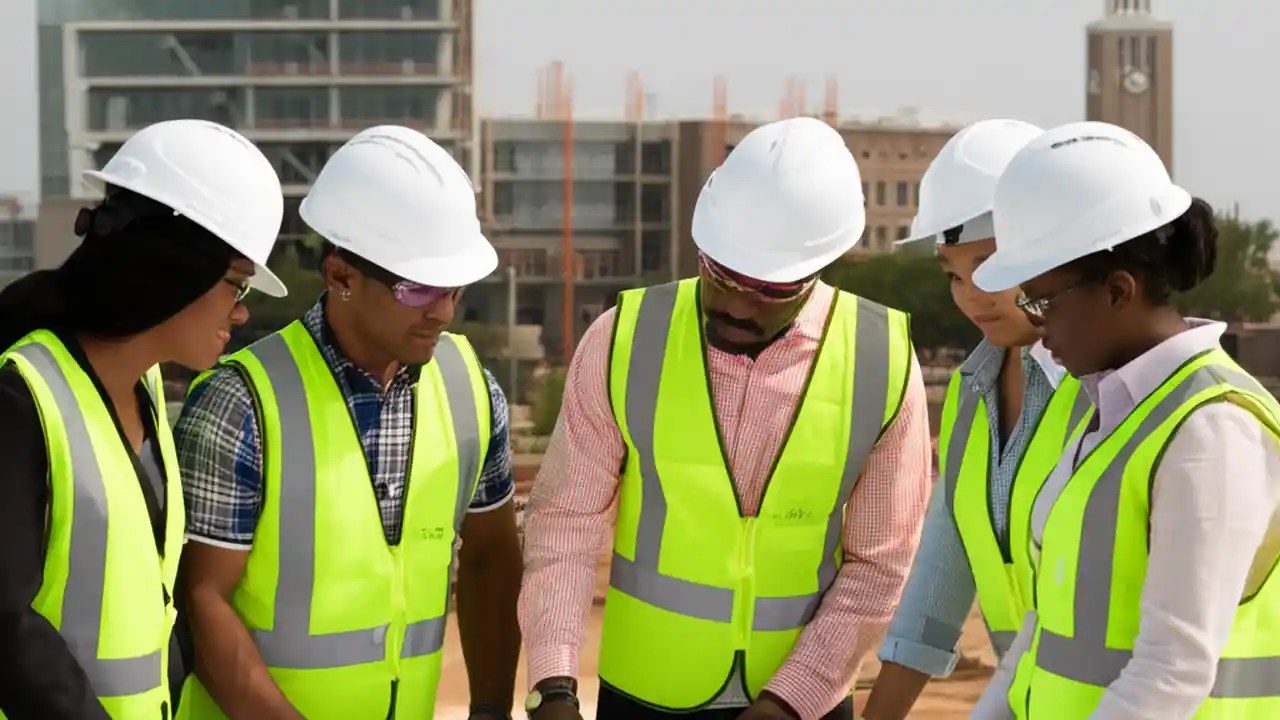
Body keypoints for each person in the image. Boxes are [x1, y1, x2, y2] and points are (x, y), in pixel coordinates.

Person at [518, 116, 934, 720]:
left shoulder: (881, 359)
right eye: (722, 276)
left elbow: (881, 560)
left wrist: (791, 701)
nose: (738, 306)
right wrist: (552, 684)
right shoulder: (625, 340)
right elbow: (565, 524)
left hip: (802, 707)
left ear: (819, 268)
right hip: (644, 697)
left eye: (768, 291)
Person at [172, 125, 523, 720]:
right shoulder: (241, 402)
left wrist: (489, 711)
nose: (443, 311)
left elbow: (491, 560)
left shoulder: (472, 393)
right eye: (419, 289)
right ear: (340, 277)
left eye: (455, 288)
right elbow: (201, 600)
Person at [968, 121, 1280, 718]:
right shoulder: (1110, 413)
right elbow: (1046, 628)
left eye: (1041, 300)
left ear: (1117, 290)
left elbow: (1172, 670)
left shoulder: (1211, 431)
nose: (1035, 324)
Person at [0, 119, 285, 719]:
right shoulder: (20, 397)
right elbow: (5, 626)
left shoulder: (148, 387)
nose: (240, 313)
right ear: (175, 270)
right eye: (236, 285)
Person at [860, 120, 1093, 720]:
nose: (971, 295)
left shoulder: (1110, 390)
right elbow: (940, 577)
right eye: (954, 274)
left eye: (990, 266)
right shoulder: (971, 391)